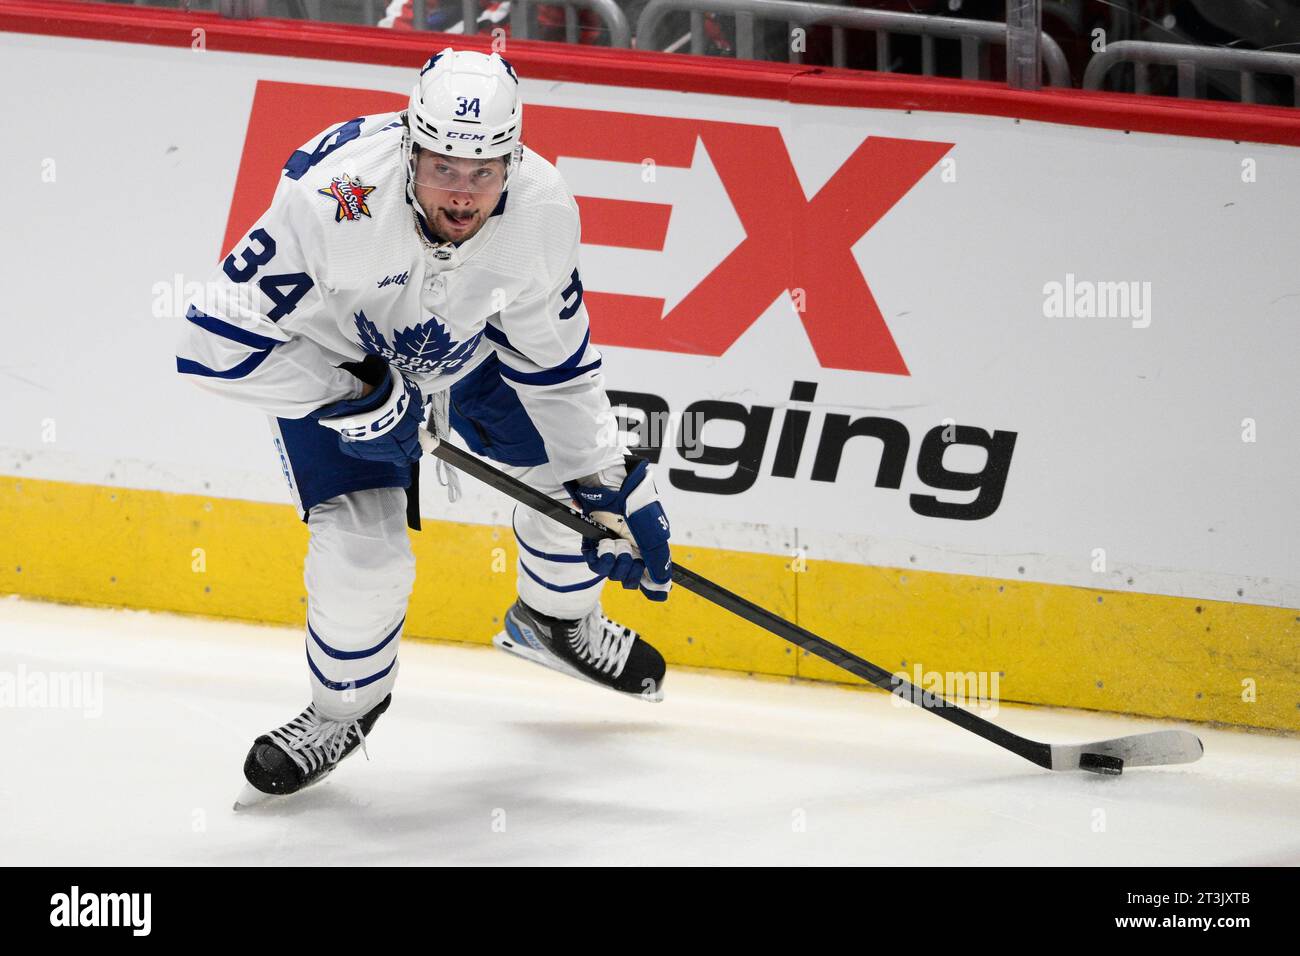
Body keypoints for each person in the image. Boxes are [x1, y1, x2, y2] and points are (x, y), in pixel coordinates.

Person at [175, 48, 673, 805]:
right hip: (334, 360)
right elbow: (211, 343)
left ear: (513, 158)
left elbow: (559, 366)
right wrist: (353, 394)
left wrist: (604, 484)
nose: (463, 193)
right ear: (411, 148)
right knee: (363, 552)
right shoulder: (334, 196)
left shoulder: (541, 209)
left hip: (461, 353)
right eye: (444, 166)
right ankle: (345, 707)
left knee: (574, 491)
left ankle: (557, 621)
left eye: (484, 171)